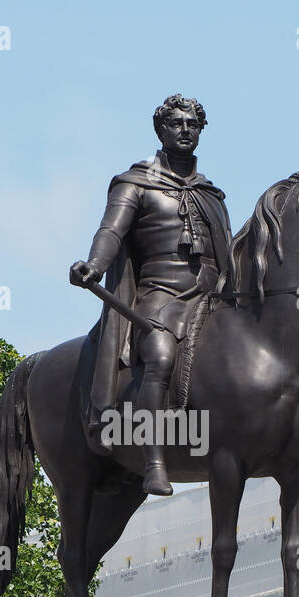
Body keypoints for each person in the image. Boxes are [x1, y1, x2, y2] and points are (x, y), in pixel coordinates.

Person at [71, 94, 233, 495]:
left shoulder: (210, 194)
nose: (185, 130)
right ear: (160, 130)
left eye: (192, 124)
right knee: (160, 355)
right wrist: (94, 264)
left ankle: (289, 458)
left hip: (213, 298)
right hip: (160, 294)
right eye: (176, 124)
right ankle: (154, 460)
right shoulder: (136, 183)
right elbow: (110, 232)